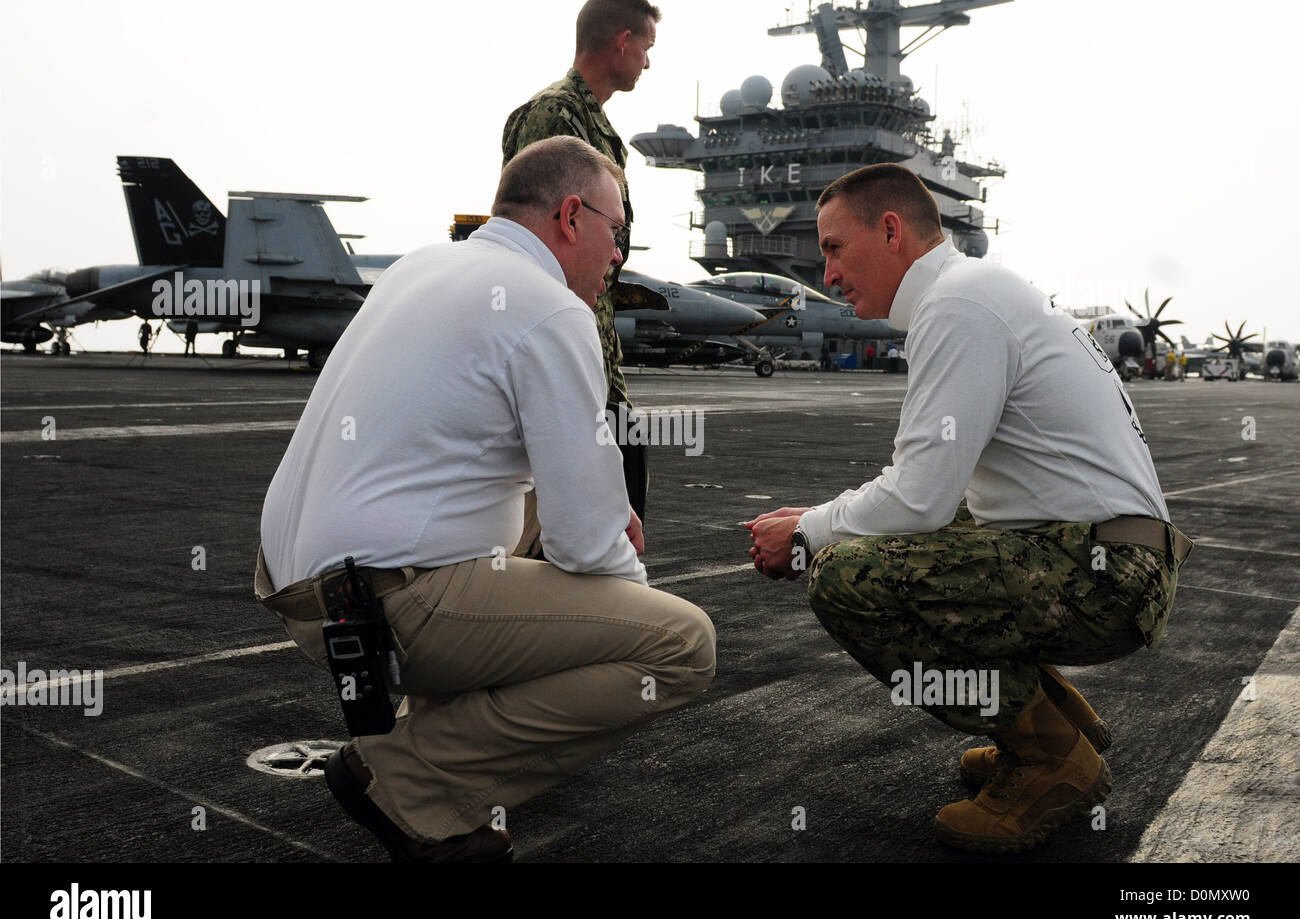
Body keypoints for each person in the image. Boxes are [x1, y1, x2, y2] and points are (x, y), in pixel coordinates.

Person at [254, 137, 715, 863]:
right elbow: (589, 543)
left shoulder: (422, 266)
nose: (619, 255)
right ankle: (409, 777)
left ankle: (430, 749)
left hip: (304, 583)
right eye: (617, 231)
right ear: (571, 216)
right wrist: (624, 617)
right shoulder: (551, 310)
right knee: (682, 646)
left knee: (528, 505)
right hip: (391, 600)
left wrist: (582, 511)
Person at [745, 163, 1192, 854]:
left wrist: (805, 532)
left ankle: (1047, 754)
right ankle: (1044, 724)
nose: (826, 273)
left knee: (846, 574)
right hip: (1113, 552)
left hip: (1109, 575)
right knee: (895, 535)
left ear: (891, 231)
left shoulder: (956, 304)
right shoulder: (977, 290)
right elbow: (931, 491)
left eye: (834, 248)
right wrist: (821, 514)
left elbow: (917, 497)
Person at [502, 0, 660, 526]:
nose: (647, 62)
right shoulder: (554, 116)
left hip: (595, 355)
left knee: (623, 495)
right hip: (564, 356)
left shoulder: (588, 118)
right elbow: (544, 244)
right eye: (646, 48)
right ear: (622, 41)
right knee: (585, 529)